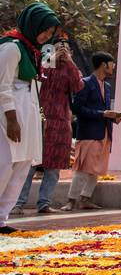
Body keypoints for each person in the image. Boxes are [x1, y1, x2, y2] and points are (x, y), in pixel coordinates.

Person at [0, 2, 62, 232]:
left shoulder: (33, 50)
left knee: (22, 166)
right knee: (5, 164)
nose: (47, 36)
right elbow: (2, 86)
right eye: (46, 30)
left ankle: (2, 218)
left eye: (51, 33)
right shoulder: (11, 47)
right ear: (33, 24)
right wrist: (12, 119)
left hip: (28, 112)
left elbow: (39, 83)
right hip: (10, 115)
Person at [15, 38, 83, 215]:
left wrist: (68, 62)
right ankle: (28, 203)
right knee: (37, 165)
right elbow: (77, 85)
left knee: (39, 165)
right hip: (49, 119)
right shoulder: (49, 64)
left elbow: (77, 86)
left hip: (48, 119)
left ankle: (29, 203)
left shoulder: (61, 66)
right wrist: (67, 61)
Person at [63, 51, 121, 211]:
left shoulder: (107, 86)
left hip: (103, 133)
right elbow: (77, 108)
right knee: (83, 168)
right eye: (112, 64)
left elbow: (104, 110)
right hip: (89, 133)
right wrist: (102, 114)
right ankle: (71, 200)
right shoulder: (85, 83)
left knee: (96, 169)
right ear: (104, 65)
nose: (113, 67)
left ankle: (85, 198)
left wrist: (113, 117)